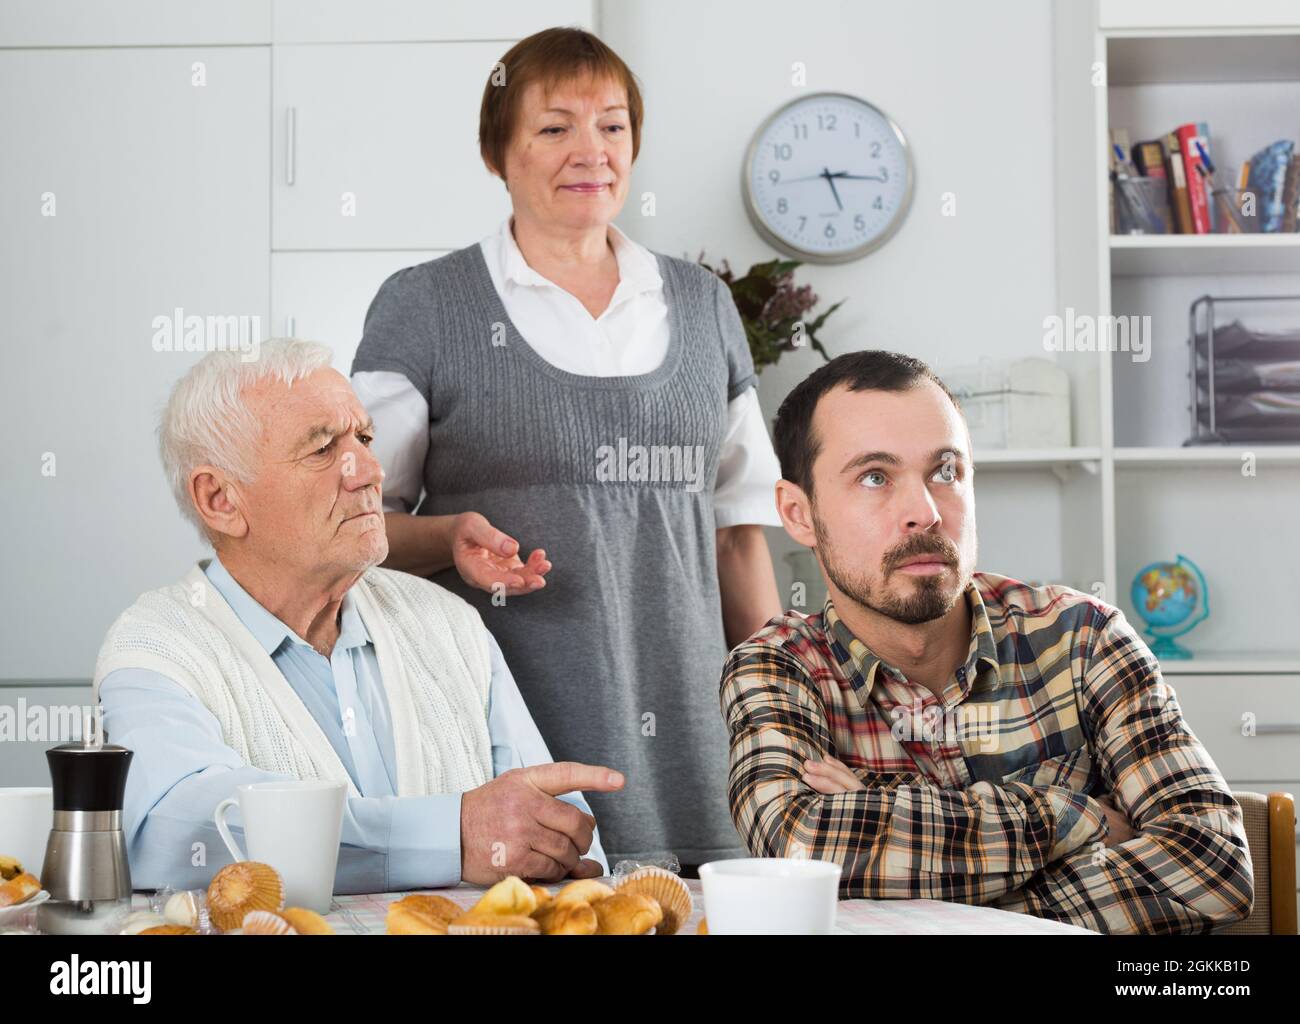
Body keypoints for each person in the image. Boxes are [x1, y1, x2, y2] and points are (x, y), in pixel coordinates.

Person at [350, 27, 782, 869]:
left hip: (695, 742)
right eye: (554, 128)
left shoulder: (701, 305)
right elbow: (355, 531)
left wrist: (781, 721)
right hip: (504, 737)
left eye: (613, 126)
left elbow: (736, 533)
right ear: (497, 152)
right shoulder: (424, 306)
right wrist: (447, 540)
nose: (591, 151)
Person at [720, 350, 1254, 933]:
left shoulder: (1083, 638)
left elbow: (1212, 870)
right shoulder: (779, 666)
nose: (924, 513)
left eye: (945, 472)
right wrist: (1070, 817)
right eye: (875, 477)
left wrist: (916, 888)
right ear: (799, 514)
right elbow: (796, 848)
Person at [95, 339, 620, 893]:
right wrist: (454, 835)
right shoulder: (155, 647)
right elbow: (173, 828)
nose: (370, 470)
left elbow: (565, 846)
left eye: (365, 439)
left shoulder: (450, 624)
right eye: (323, 448)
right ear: (221, 499)